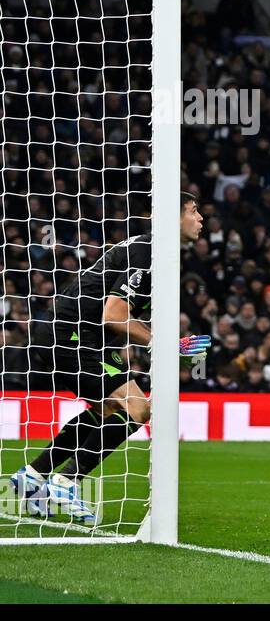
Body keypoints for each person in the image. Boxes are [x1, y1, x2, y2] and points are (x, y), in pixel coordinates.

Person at [11, 193, 211, 524]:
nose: (201, 218)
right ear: (172, 217)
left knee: (106, 410)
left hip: (70, 336)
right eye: (194, 210)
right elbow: (114, 316)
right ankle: (65, 482)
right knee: (138, 408)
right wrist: (164, 345)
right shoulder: (146, 253)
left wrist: (172, 343)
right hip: (75, 338)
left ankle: (32, 477)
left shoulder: (157, 254)